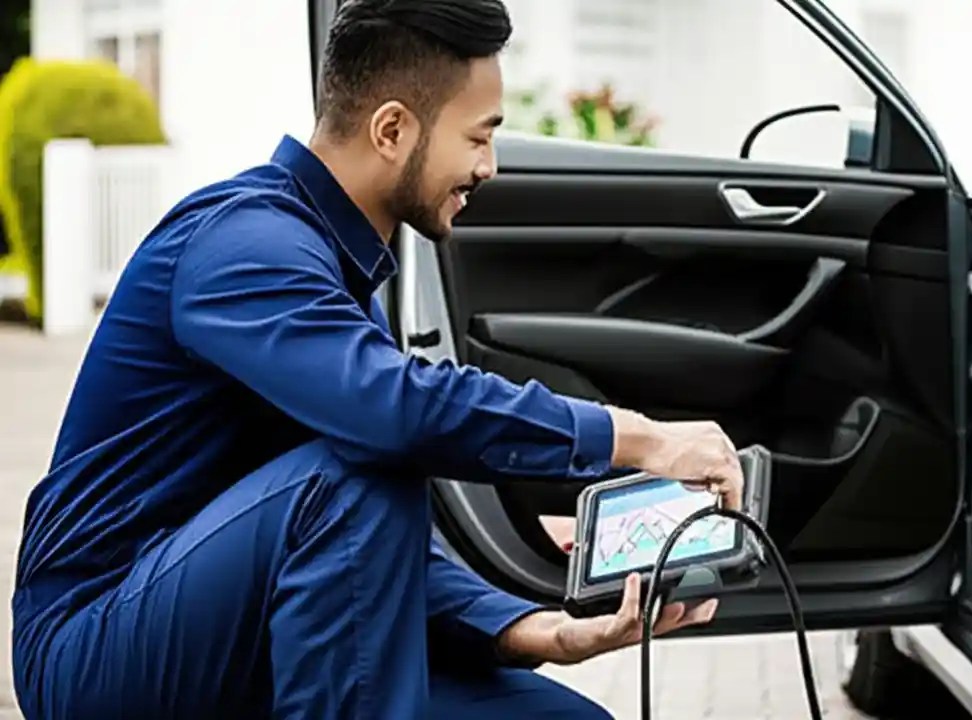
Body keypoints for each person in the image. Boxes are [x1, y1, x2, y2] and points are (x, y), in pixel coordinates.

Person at [8, 1, 745, 718]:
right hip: (96, 647)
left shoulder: (335, 272)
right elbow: (386, 433)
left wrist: (542, 631)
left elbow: (359, 553)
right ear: (392, 128)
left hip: (235, 624)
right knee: (363, 467)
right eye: (479, 137)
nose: (488, 166)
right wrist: (641, 440)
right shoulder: (242, 247)